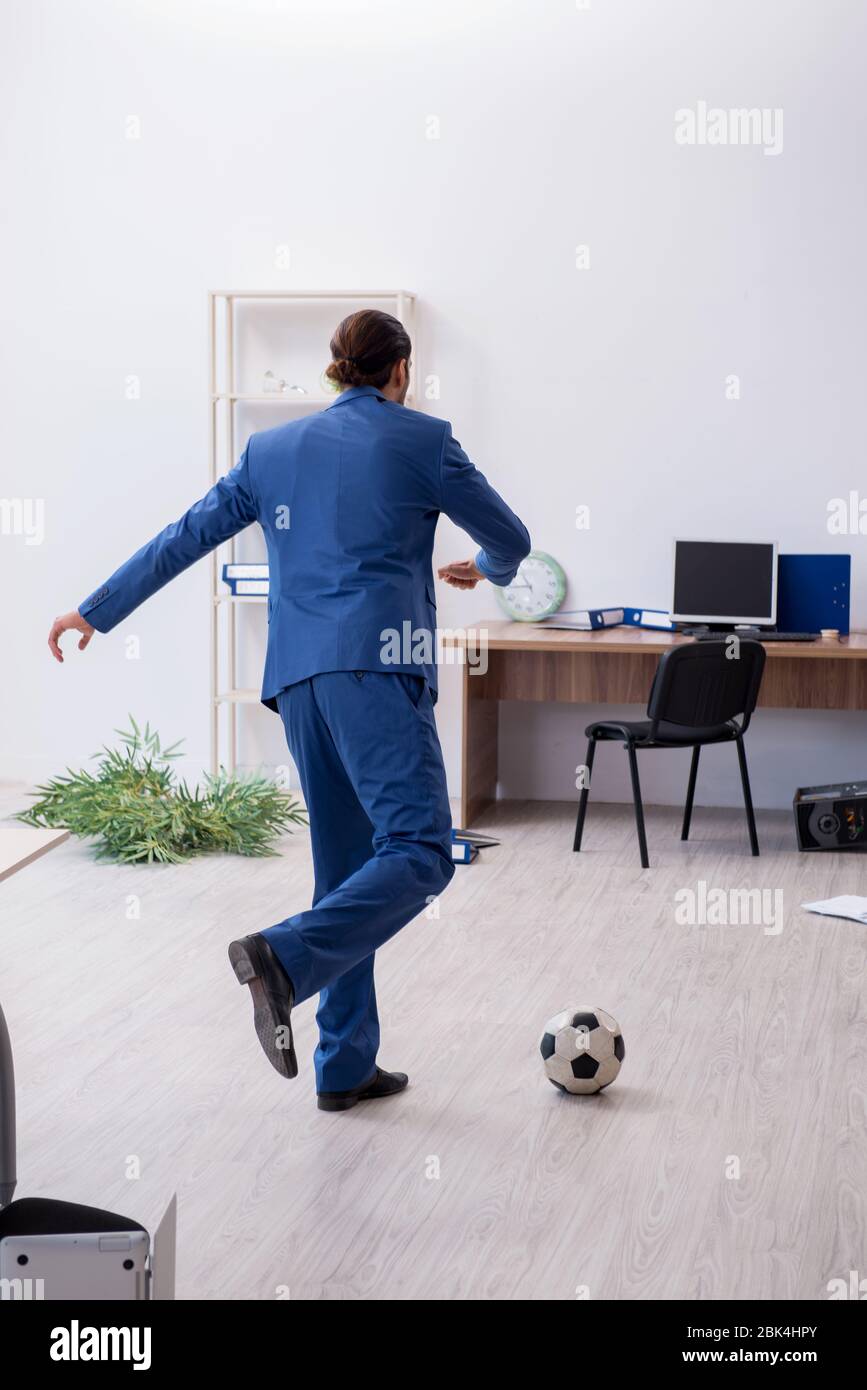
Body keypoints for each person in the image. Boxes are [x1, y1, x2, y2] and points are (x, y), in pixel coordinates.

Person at [48, 309, 531, 1111]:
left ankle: (343, 1066)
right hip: (380, 668)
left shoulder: (269, 453)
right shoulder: (423, 441)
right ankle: (281, 959)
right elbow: (511, 538)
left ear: (335, 369)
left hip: (299, 680)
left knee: (346, 874)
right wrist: (483, 567)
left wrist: (94, 612)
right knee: (420, 851)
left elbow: (182, 538)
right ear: (399, 372)